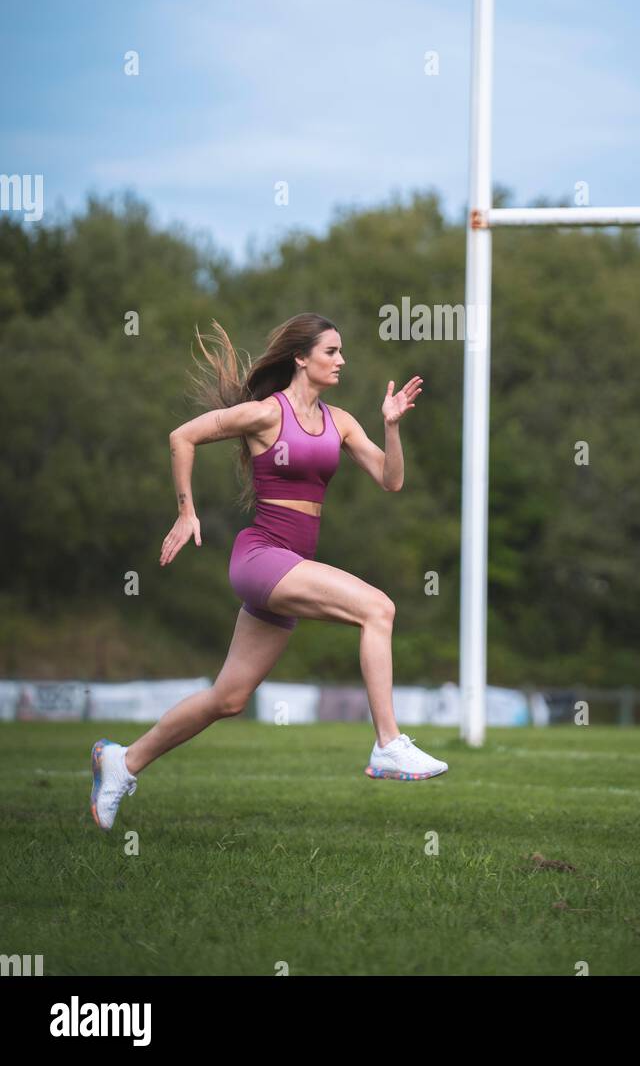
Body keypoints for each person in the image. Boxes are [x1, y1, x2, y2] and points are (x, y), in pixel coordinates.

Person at [89, 312, 448, 831]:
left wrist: (391, 427)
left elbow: (391, 480)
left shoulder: (341, 421)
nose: (341, 360)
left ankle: (122, 762)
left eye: (342, 351)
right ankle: (389, 743)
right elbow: (181, 437)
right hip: (261, 557)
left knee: (228, 698)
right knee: (378, 608)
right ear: (301, 358)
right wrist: (187, 511)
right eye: (331, 352)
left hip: (289, 567)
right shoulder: (263, 414)